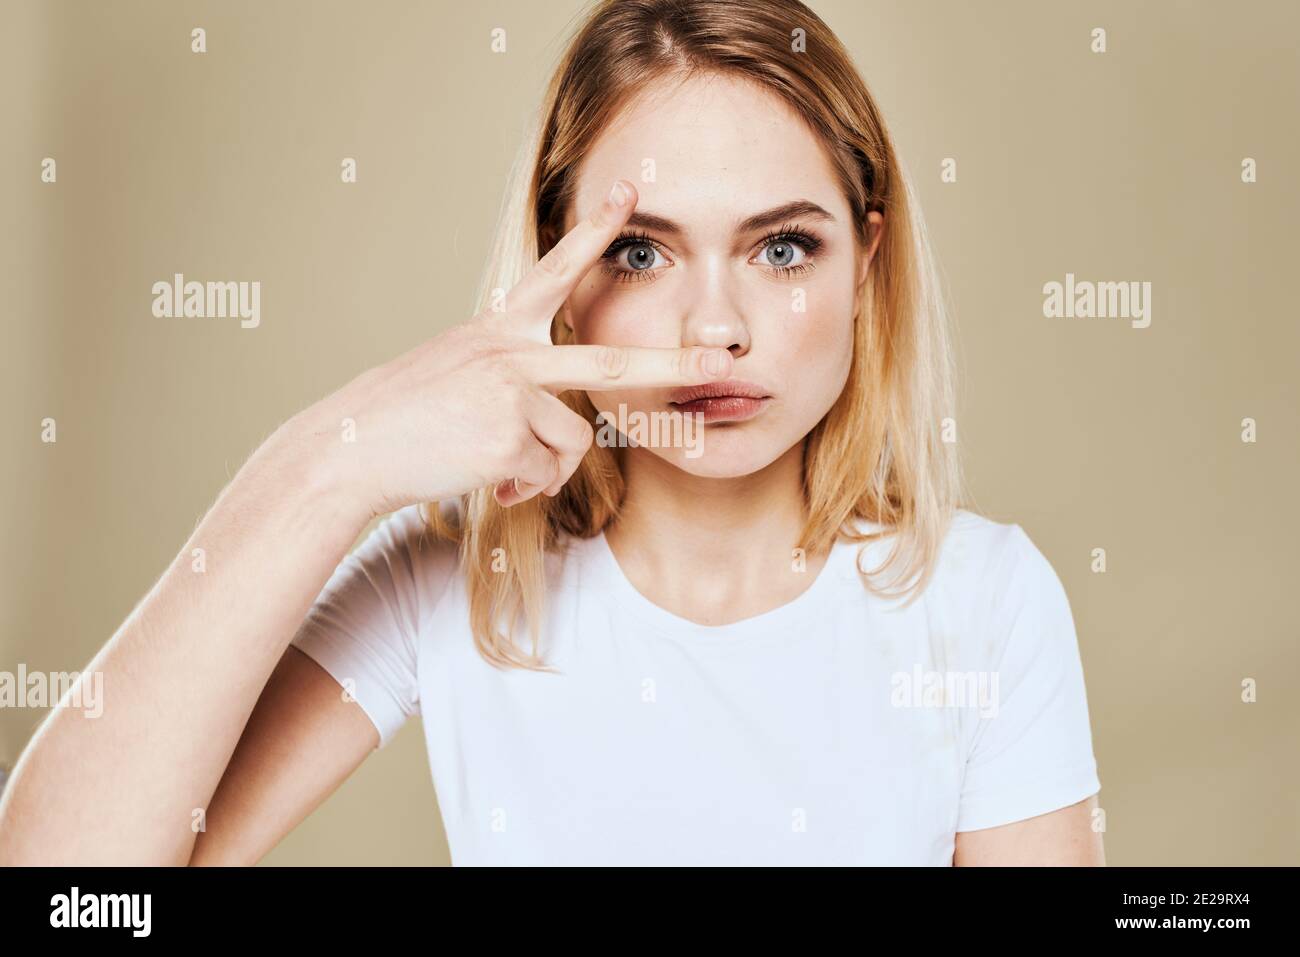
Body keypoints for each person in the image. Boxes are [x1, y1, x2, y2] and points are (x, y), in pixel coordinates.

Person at [0, 0, 1102, 866]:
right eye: (639, 252)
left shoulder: (985, 603)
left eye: (780, 249)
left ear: (865, 261)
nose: (713, 329)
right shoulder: (456, 577)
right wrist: (332, 457)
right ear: (556, 275)